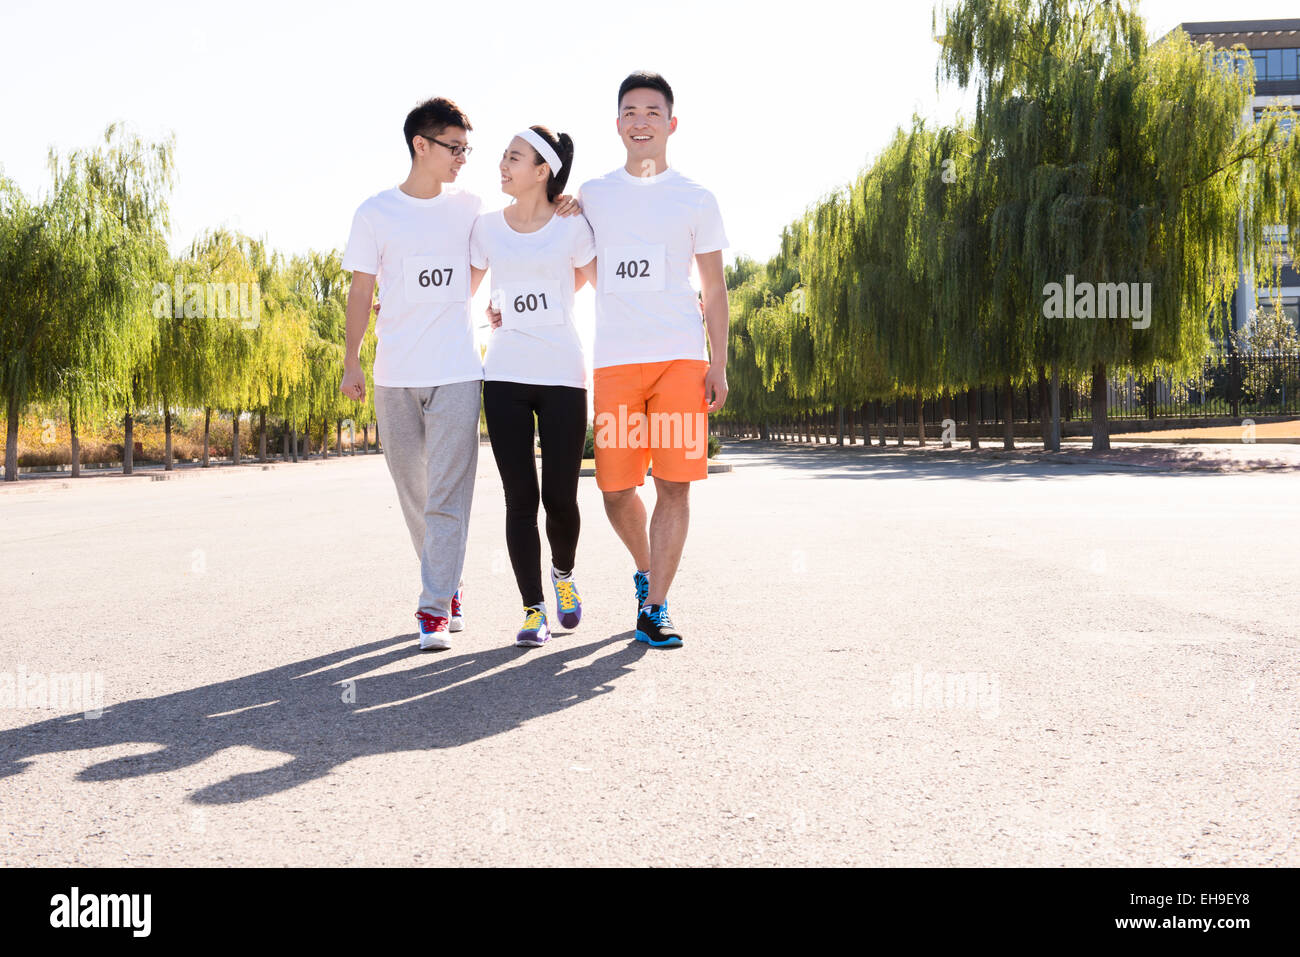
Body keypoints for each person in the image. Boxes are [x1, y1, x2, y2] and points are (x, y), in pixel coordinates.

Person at [576, 71, 730, 648]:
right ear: (617, 124)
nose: (641, 121)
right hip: (615, 361)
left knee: (674, 485)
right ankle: (646, 570)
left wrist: (719, 362)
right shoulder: (591, 195)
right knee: (615, 490)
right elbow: (566, 257)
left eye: (651, 111)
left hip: (680, 360)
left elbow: (713, 289)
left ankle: (656, 607)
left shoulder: (696, 198)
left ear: (671, 122)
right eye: (630, 112)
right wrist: (503, 310)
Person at [471, 126, 596, 648]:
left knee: (560, 496)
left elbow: (601, 282)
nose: (502, 165)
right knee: (519, 497)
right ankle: (532, 608)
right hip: (503, 375)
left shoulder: (572, 227)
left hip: (564, 374)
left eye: (514, 158)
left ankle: (563, 578)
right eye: (503, 156)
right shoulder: (484, 228)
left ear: (542, 171)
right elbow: (463, 290)